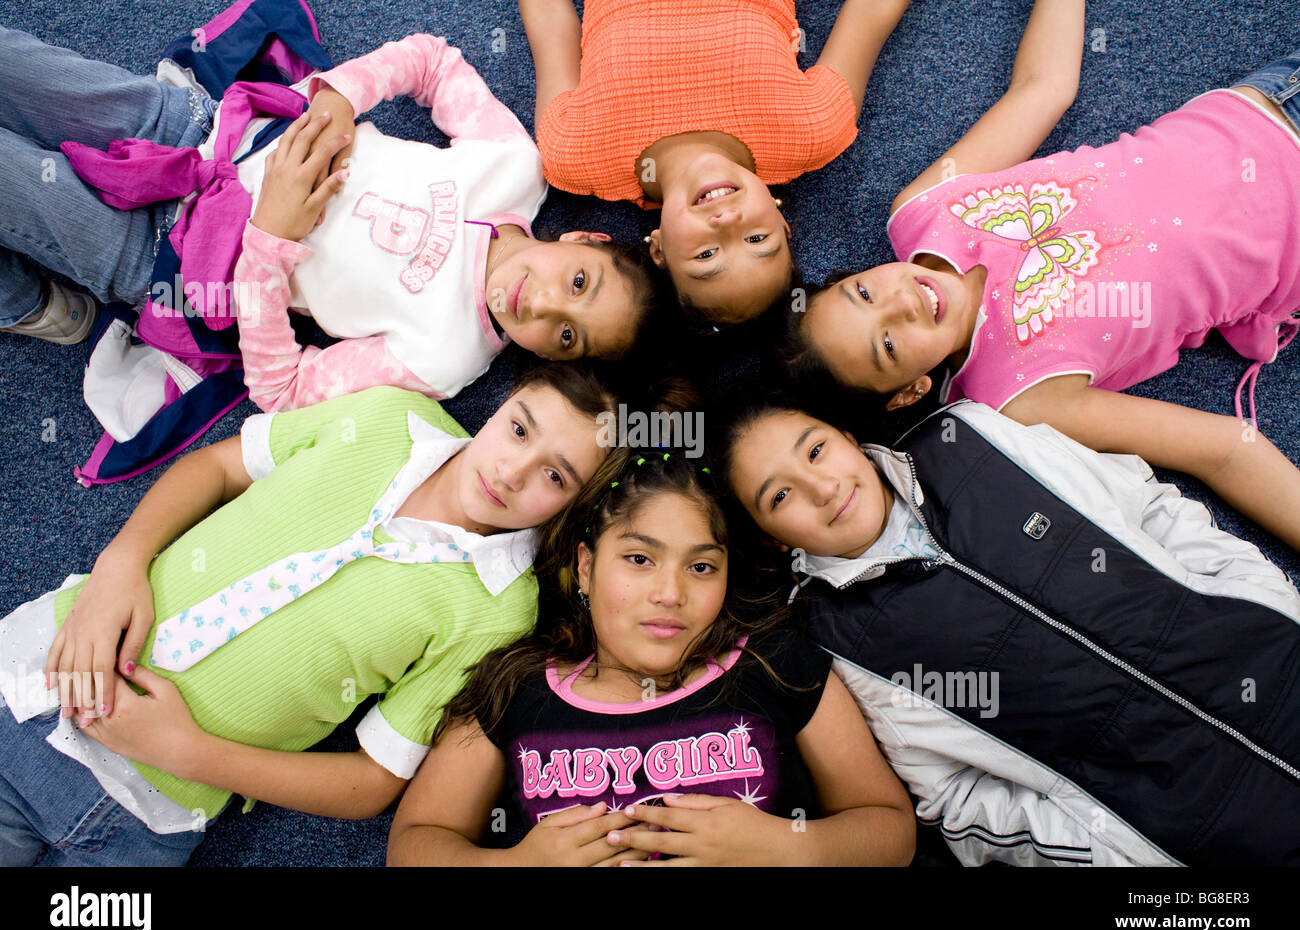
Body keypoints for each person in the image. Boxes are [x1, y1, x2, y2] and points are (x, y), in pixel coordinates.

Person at [0, 363, 620, 866]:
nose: (512, 473)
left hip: (144, 812)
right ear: (505, 401)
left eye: (554, 476)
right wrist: (121, 563)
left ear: (571, 509)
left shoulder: (498, 613)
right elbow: (219, 468)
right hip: (40, 677)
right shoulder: (385, 415)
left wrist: (188, 752)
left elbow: (375, 780)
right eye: (519, 429)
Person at [786, 0, 1300, 554]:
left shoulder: (923, 211)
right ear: (909, 391)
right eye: (886, 344)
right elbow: (1223, 449)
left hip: (1265, 105)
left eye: (862, 292)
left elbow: (1042, 88)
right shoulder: (1018, 400)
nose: (899, 303)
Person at [718, 394, 1300, 866]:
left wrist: (1261, 596)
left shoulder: (966, 437)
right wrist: (1111, 847)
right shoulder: (833, 641)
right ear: (773, 537)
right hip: (1204, 838)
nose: (822, 488)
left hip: (1278, 657)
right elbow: (954, 798)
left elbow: (1148, 507)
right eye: (781, 494)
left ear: (846, 435)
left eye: (816, 450)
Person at [0, 22, 659, 406]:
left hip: (161, 252)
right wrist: (340, 99)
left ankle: (25, 303)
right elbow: (431, 60)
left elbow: (280, 391)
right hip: (193, 130)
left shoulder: (445, 358)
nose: (545, 306)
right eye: (578, 282)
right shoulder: (513, 168)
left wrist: (271, 239)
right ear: (584, 237)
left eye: (566, 336)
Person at [386, 451, 915, 865]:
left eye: (702, 567)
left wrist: (790, 847)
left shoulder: (777, 663)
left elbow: (889, 828)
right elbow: (416, 842)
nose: (670, 593)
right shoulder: (516, 687)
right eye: (639, 559)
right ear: (587, 567)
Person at [519, 0, 912, 326]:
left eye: (705, 255)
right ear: (781, 220)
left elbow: (550, 20)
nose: (727, 223)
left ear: (658, 249)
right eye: (758, 239)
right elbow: (869, 14)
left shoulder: (575, 153)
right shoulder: (812, 129)